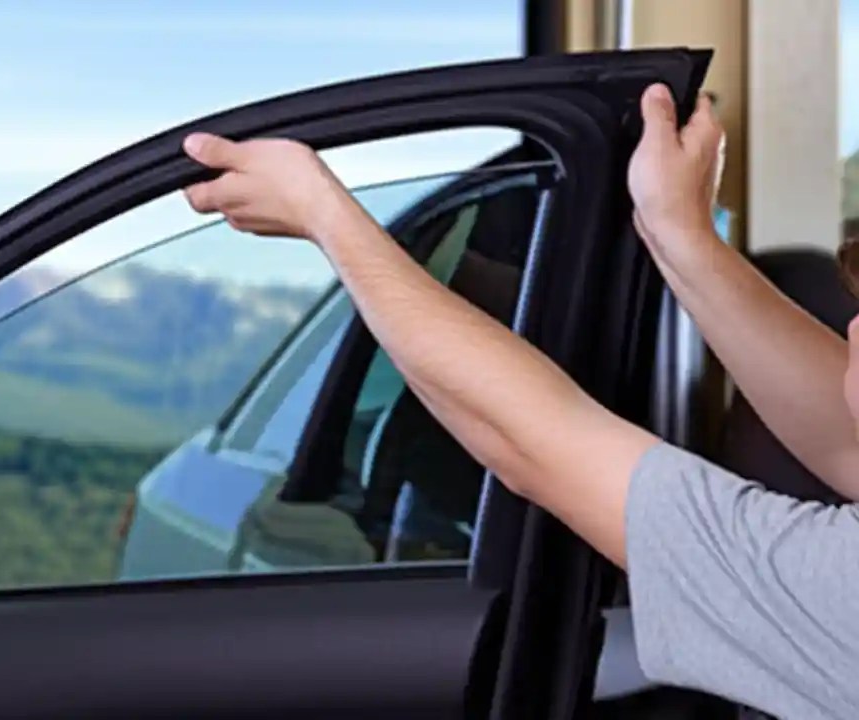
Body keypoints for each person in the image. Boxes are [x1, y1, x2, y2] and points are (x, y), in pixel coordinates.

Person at [179, 83, 859, 719]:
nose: (849, 327)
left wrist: (325, 215)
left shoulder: (837, 591)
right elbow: (843, 438)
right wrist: (677, 229)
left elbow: (533, 442)